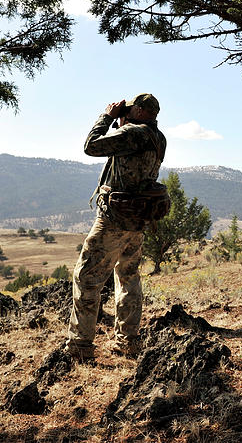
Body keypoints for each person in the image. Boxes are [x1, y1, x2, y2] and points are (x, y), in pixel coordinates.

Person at [66, 93, 167, 360]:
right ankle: (128, 341)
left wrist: (108, 117)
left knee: (87, 278)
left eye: (131, 109)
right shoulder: (158, 137)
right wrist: (122, 122)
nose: (127, 112)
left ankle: (80, 346)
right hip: (138, 220)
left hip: (114, 220)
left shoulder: (133, 133)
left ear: (142, 111)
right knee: (128, 277)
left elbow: (91, 146)